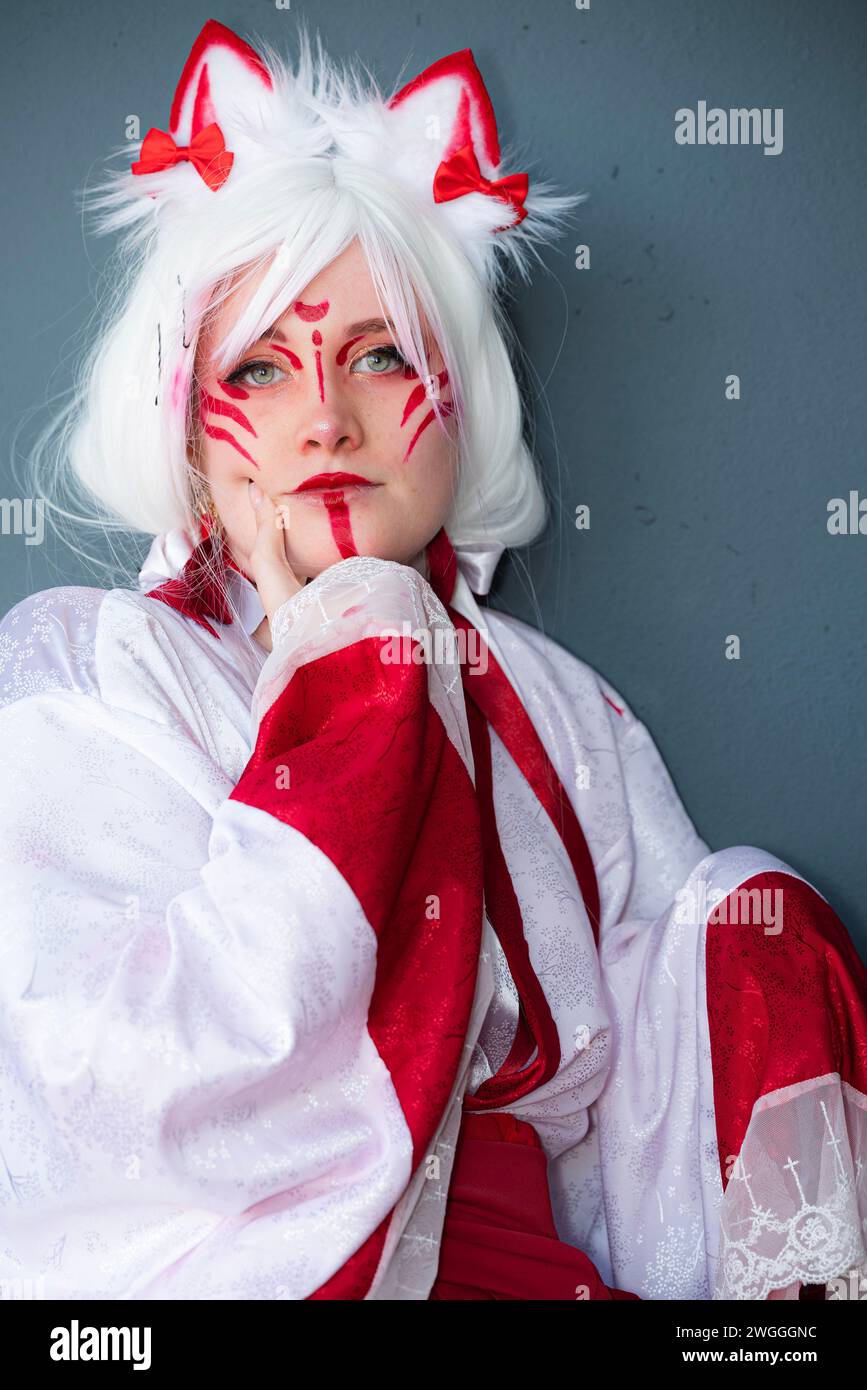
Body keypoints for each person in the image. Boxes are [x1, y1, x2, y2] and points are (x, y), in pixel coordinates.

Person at [0, 18, 864, 1303]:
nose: (328, 420)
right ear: (185, 426)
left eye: (382, 354)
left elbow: (635, 1091)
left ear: (464, 410)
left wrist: (751, 958)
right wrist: (354, 662)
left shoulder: (558, 708)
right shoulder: (87, 669)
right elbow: (124, 1077)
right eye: (263, 369)